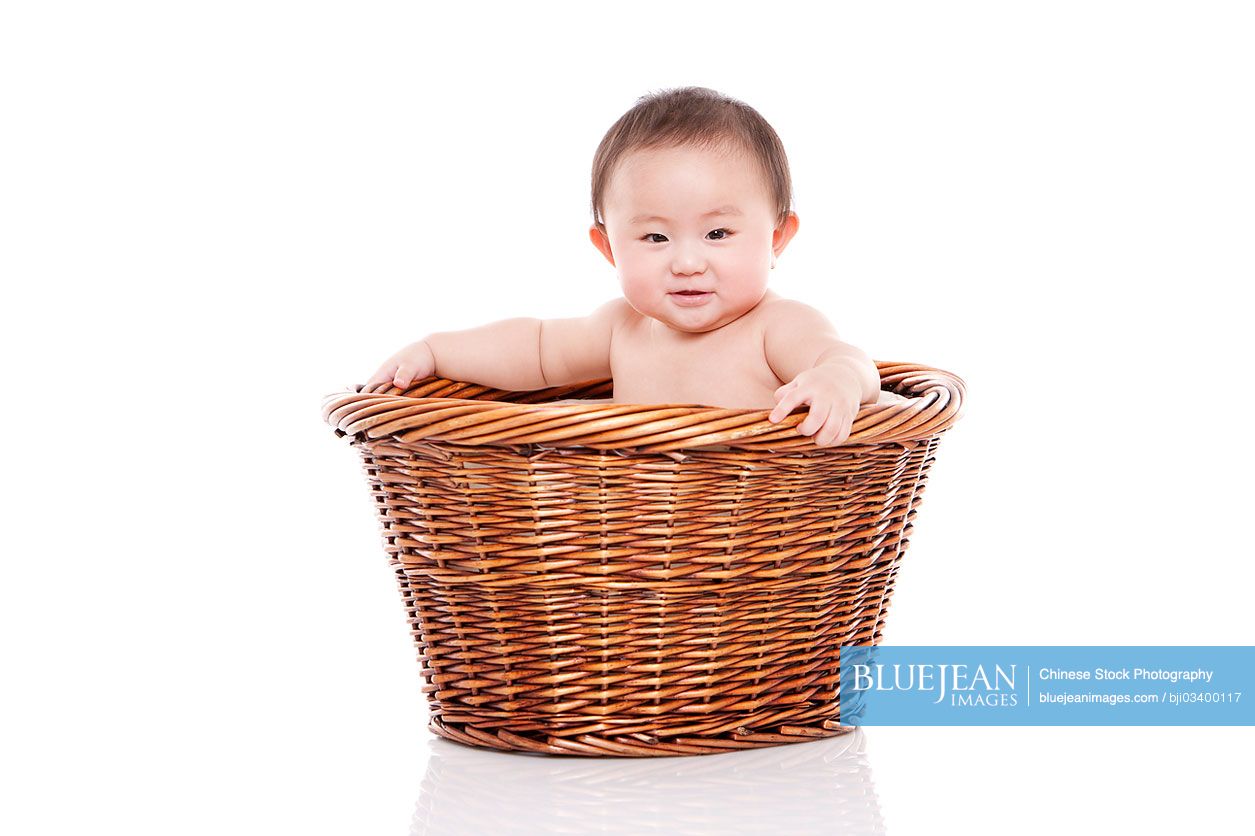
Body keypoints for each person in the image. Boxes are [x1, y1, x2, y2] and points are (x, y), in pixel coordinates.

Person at [366, 86, 880, 447]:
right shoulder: (623, 328)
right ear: (609, 248)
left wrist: (837, 381)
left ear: (777, 238)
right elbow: (533, 347)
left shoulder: (777, 327)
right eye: (655, 237)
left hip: (744, 552)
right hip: (630, 559)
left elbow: (846, 360)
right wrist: (437, 350)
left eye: (718, 234)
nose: (686, 262)